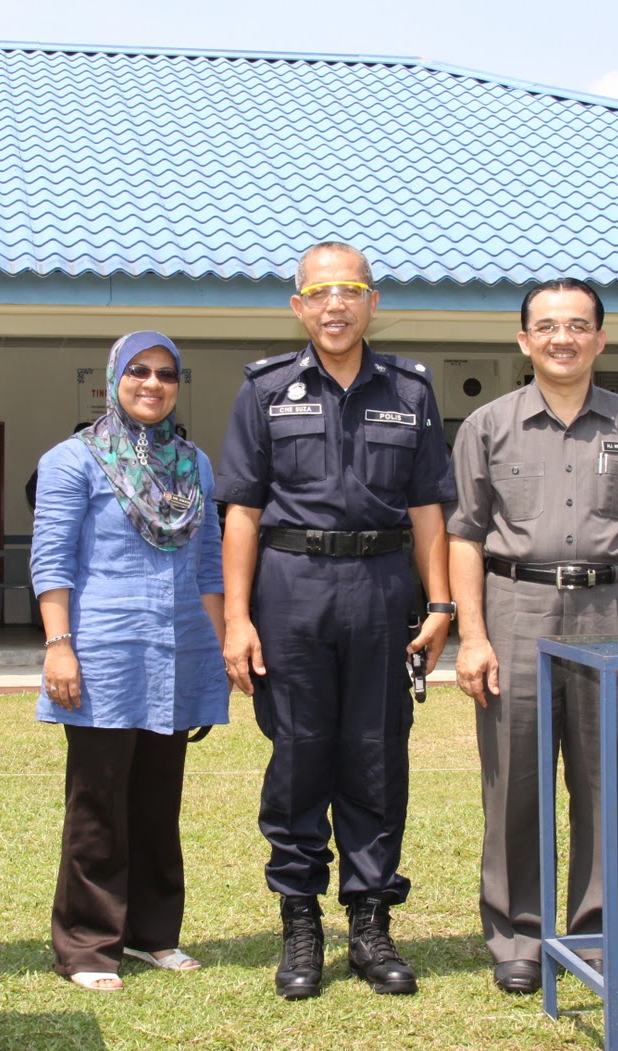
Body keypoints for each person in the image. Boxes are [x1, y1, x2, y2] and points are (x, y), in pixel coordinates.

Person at [216, 241, 455, 999]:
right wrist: (237, 620)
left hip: (385, 588)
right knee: (299, 751)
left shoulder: (411, 390)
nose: (336, 305)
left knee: (378, 751)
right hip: (291, 589)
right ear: (299, 305)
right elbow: (243, 513)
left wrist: (442, 600)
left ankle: (370, 919)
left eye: (351, 289)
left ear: (372, 300)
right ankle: (300, 922)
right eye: (320, 293)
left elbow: (428, 509)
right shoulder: (264, 390)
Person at [448, 279, 618, 994]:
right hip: (515, 609)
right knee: (513, 780)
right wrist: (472, 634)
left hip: (613, 614)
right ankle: (518, 936)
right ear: (523, 339)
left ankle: (595, 934)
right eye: (548, 326)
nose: (564, 337)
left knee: (604, 781)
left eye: (579, 325)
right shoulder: (488, 426)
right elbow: (463, 536)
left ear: (601, 338)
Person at [32, 331, 229, 992]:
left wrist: (219, 643)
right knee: (98, 804)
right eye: (138, 371)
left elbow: (208, 566)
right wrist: (59, 645)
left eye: (166, 374)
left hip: (176, 654)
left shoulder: (195, 465)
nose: (152, 383)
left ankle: (152, 934)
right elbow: (51, 562)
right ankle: (88, 944)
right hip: (101, 655)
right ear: (114, 378)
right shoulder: (73, 460)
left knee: (156, 802)